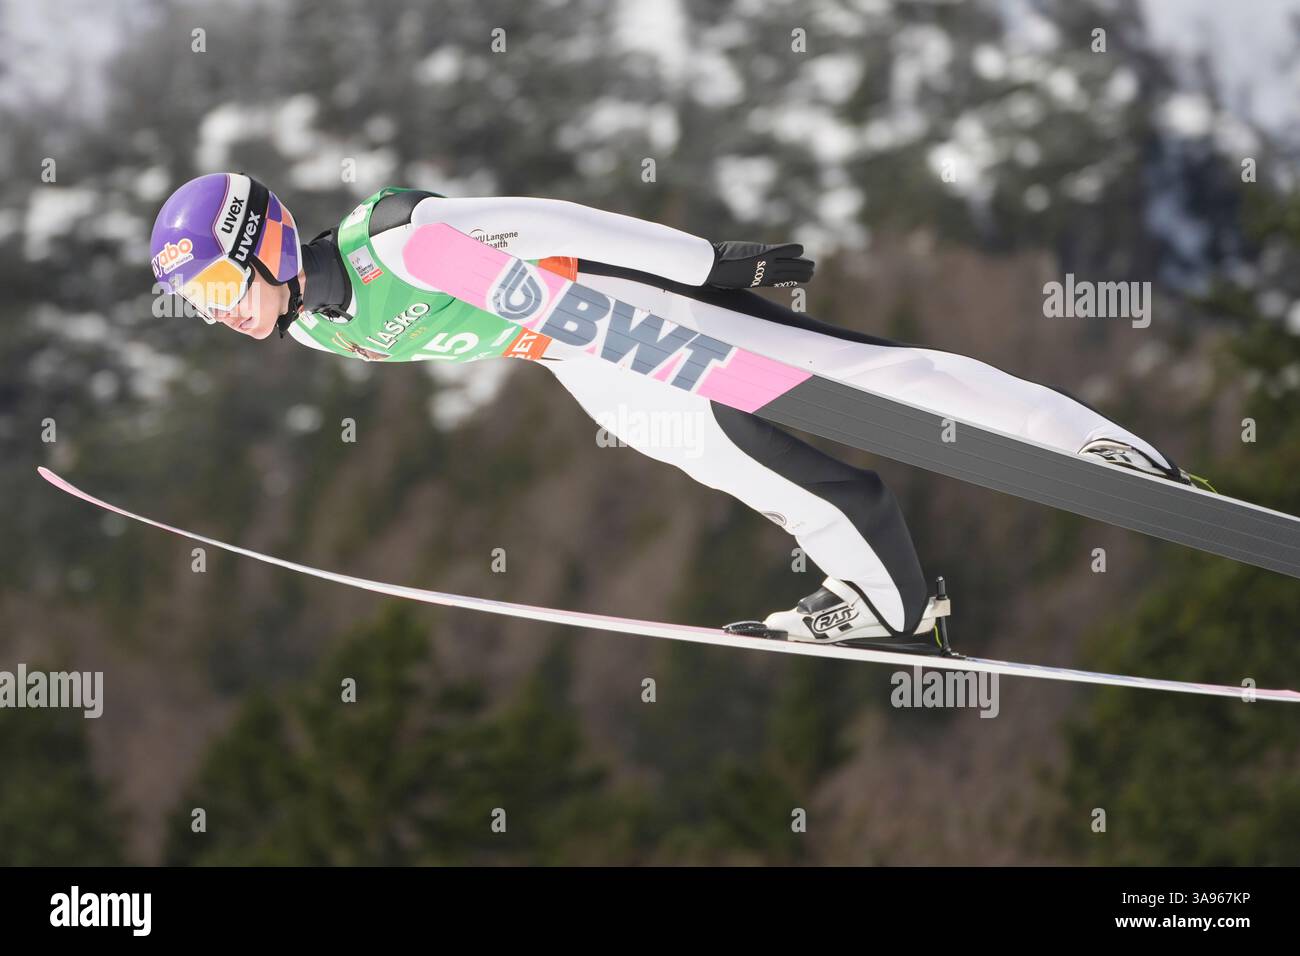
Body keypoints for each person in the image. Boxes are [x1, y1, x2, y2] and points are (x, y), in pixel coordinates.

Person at [150, 172, 1189, 650]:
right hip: (576, 355)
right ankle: (887, 596)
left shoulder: (399, 243)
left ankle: (1097, 447)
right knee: (729, 455)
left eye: (225, 286)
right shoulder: (318, 328)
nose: (226, 314)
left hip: (624, 307)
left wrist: (708, 263)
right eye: (204, 306)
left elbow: (547, 223)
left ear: (271, 242)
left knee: (875, 380)